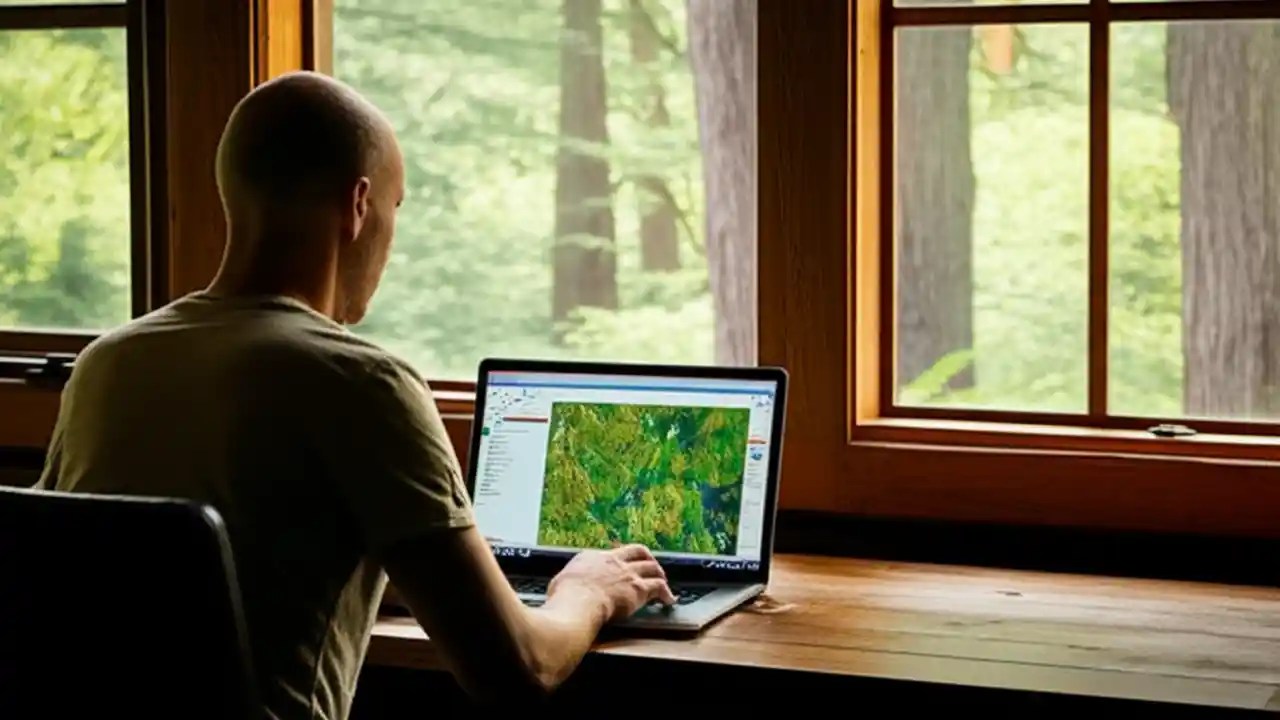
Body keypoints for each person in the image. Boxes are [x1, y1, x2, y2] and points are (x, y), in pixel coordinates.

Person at [35, 71, 676, 719]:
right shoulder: (363, 382)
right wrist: (588, 590)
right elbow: (519, 669)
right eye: (397, 208)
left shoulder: (108, 363)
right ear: (359, 204)